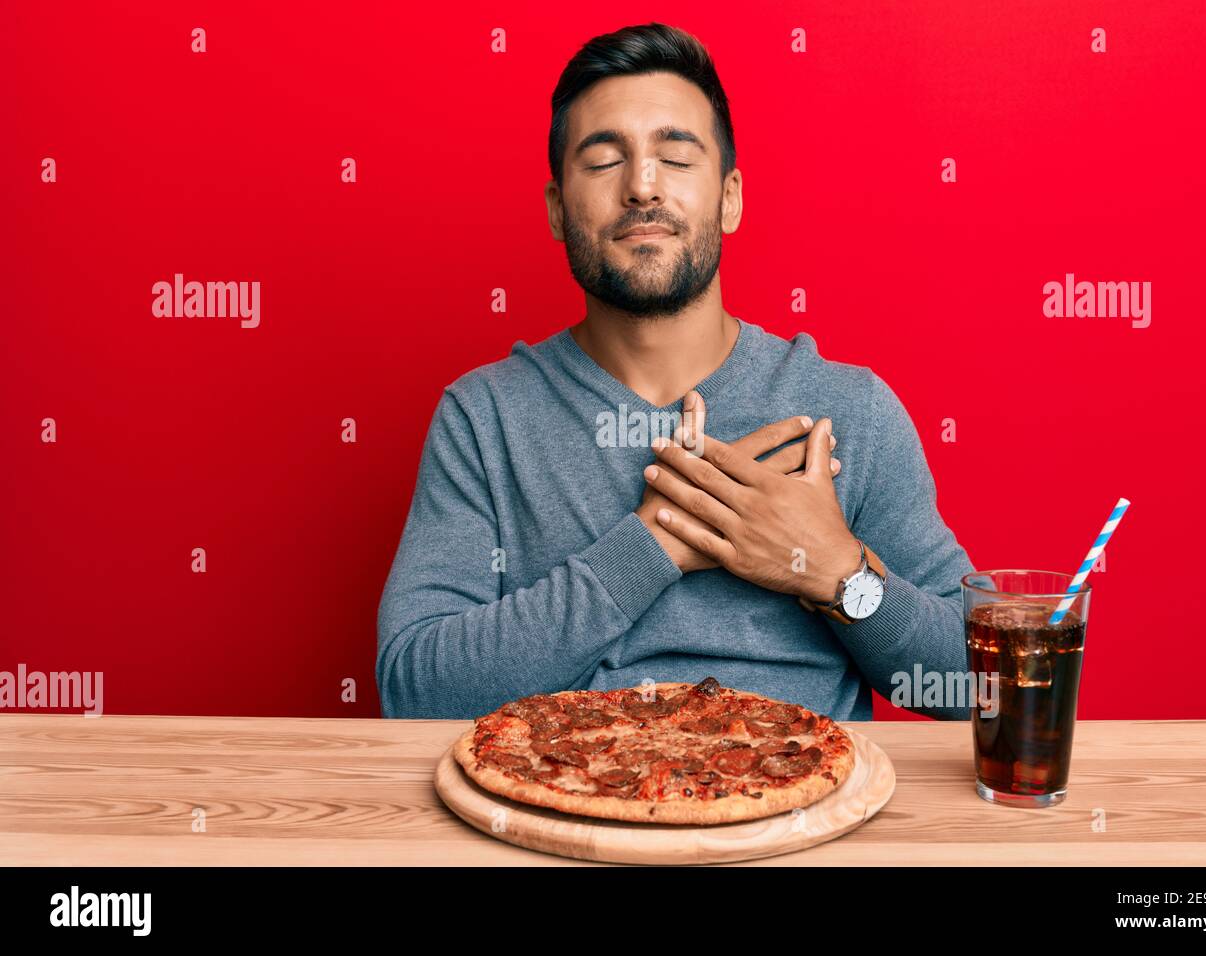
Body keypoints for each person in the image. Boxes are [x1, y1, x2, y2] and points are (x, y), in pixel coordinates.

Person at [376, 23, 974, 721]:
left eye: (676, 156)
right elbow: (414, 691)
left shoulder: (849, 408)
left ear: (730, 198)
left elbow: (977, 688)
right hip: (563, 811)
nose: (642, 185)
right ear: (556, 211)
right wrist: (654, 544)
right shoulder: (485, 418)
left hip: (804, 819)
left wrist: (833, 569)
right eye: (604, 161)